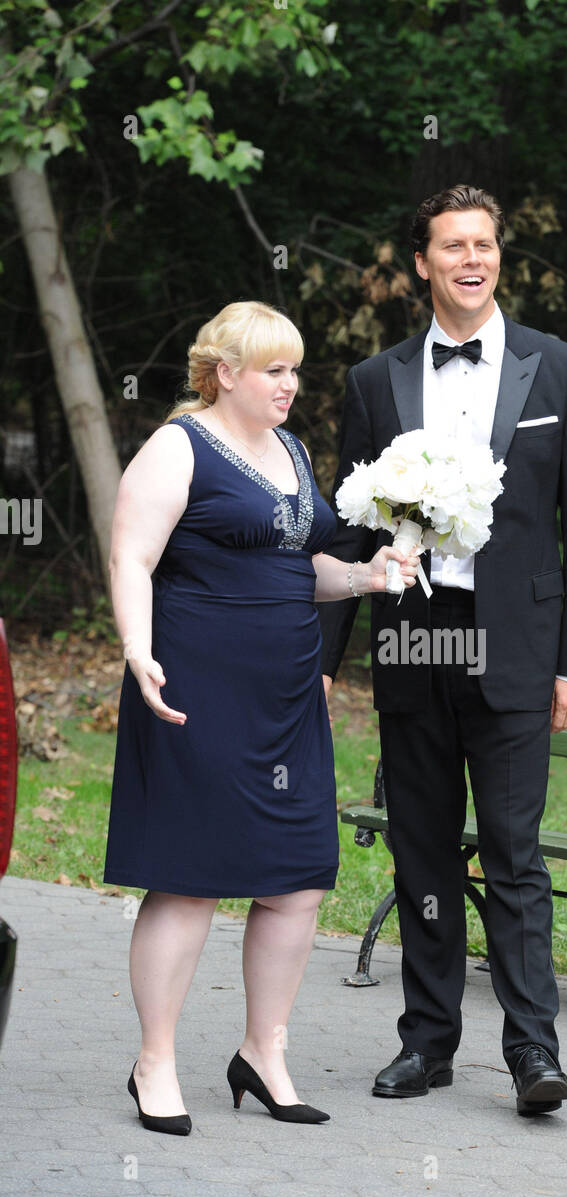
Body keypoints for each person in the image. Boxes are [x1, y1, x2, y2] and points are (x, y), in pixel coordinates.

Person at [316, 186, 567, 1116]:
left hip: (517, 648)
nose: (471, 259)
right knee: (423, 853)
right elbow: (351, 532)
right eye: (453, 246)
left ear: (499, 260)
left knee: (515, 856)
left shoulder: (561, 371)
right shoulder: (375, 381)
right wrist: (326, 660)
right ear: (422, 263)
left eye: (484, 245)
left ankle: (532, 1053)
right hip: (413, 642)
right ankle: (426, 1044)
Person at [103, 300, 420, 1135]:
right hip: (196, 686)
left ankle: (263, 1054)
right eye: (275, 370)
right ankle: (155, 1062)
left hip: (287, 693)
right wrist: (138, 648)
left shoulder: (289, 449)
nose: (291, 385)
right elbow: (132, 552)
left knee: (296, 880)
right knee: (189, 877)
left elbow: (299, 560)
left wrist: (365, 576)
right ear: (226, 374)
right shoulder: (180, 445)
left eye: (295, 370)